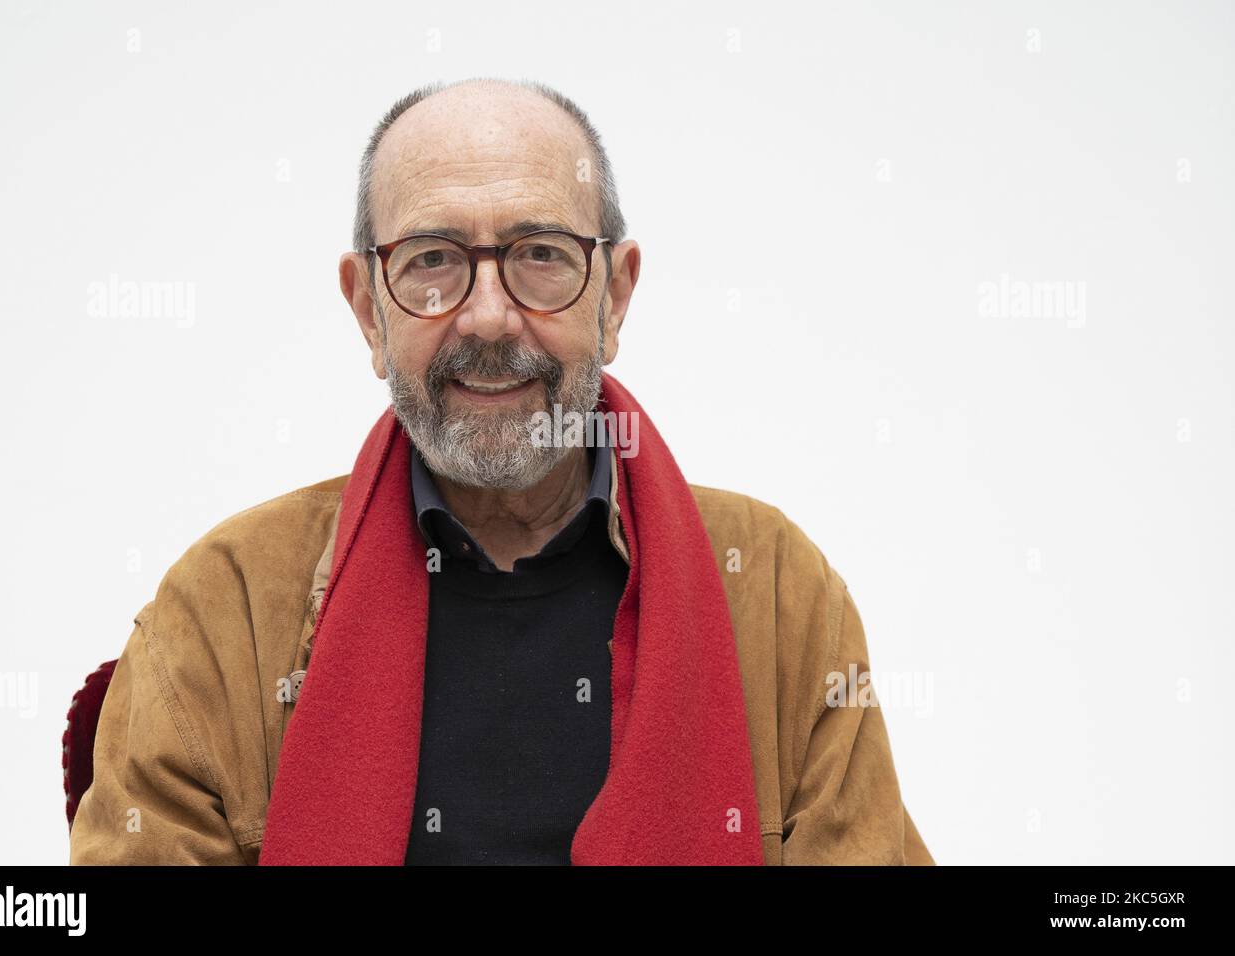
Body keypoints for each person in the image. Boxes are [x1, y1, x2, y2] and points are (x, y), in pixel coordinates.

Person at [69, 76, 933, 866]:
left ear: (616, 298)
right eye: (433, 260)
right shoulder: (226, 608)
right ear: (369, 311)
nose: (488, 317)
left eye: (541, 254)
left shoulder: (779, 590)